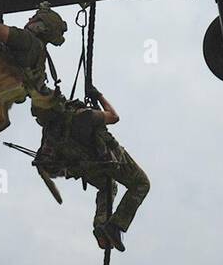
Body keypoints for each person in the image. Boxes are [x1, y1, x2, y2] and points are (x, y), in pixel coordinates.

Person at [30, 84, 150, 253]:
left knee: (108, 186)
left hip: (88, 168)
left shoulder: (50, 134)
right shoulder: (82, 116)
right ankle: (116, 226)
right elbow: (114, 117)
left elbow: (47, 163)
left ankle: (101, 226)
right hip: (109, 159)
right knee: (141, 184)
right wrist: (99, 96)